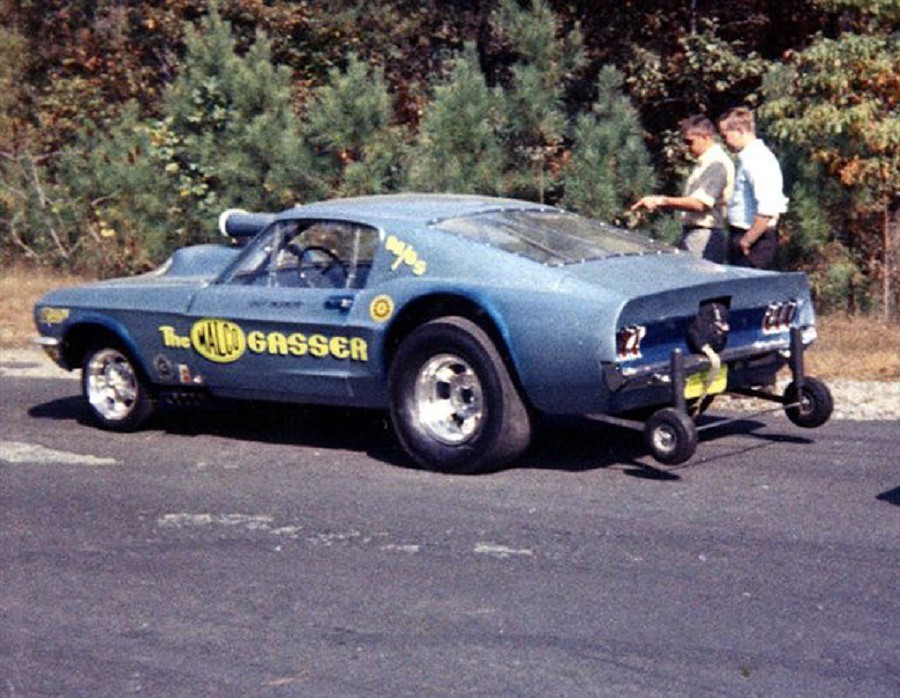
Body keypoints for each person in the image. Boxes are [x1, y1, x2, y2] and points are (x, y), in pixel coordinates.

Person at [631, 115, 734, 263]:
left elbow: (700, 203)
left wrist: (661, 201)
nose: (686, 147)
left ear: (706, 137)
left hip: (704, 235)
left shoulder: (716, 164)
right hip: (694, 233)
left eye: (689, 142)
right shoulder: (704, 162)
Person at [717, 106, 788, 269]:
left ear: (740, 131)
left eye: (725, 136)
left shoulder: (758, 159)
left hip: (755, 242)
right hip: (745, 236)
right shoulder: (747, 158)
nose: (724, 142)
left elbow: (767, 209)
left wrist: (747, 241)